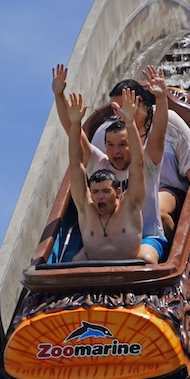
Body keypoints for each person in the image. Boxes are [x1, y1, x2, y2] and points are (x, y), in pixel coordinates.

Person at [52, 64, 168, 263]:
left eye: (123, 145)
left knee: (145, 261)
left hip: (146, 236)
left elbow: (159, 134)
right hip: (109, 240)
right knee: (74, 265)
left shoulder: (146, 163)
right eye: (111, 145)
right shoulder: (100, 165)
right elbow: (72, 130)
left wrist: (161, 98)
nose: (116, 151)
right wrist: (59, 95)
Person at [92, 74, 190, 237]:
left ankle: (166, 252)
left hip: (166, 189)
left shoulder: (168, 121)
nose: (120, 114)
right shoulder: (107, 132)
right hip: (125, 191)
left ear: (139, 102)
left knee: (158, 213)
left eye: (125, 107)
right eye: (115, 109)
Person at [66, 89, 145, 262]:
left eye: (105, 192)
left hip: (131, 272)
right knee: (75, 262)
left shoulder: (130, 205)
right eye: (95, 192)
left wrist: (130, 123)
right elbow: (75, 164)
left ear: (117, 193)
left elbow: (138, 164)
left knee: (148, 257)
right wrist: (74, 124)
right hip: (95, 274)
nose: (100, 197)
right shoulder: (87, 210)